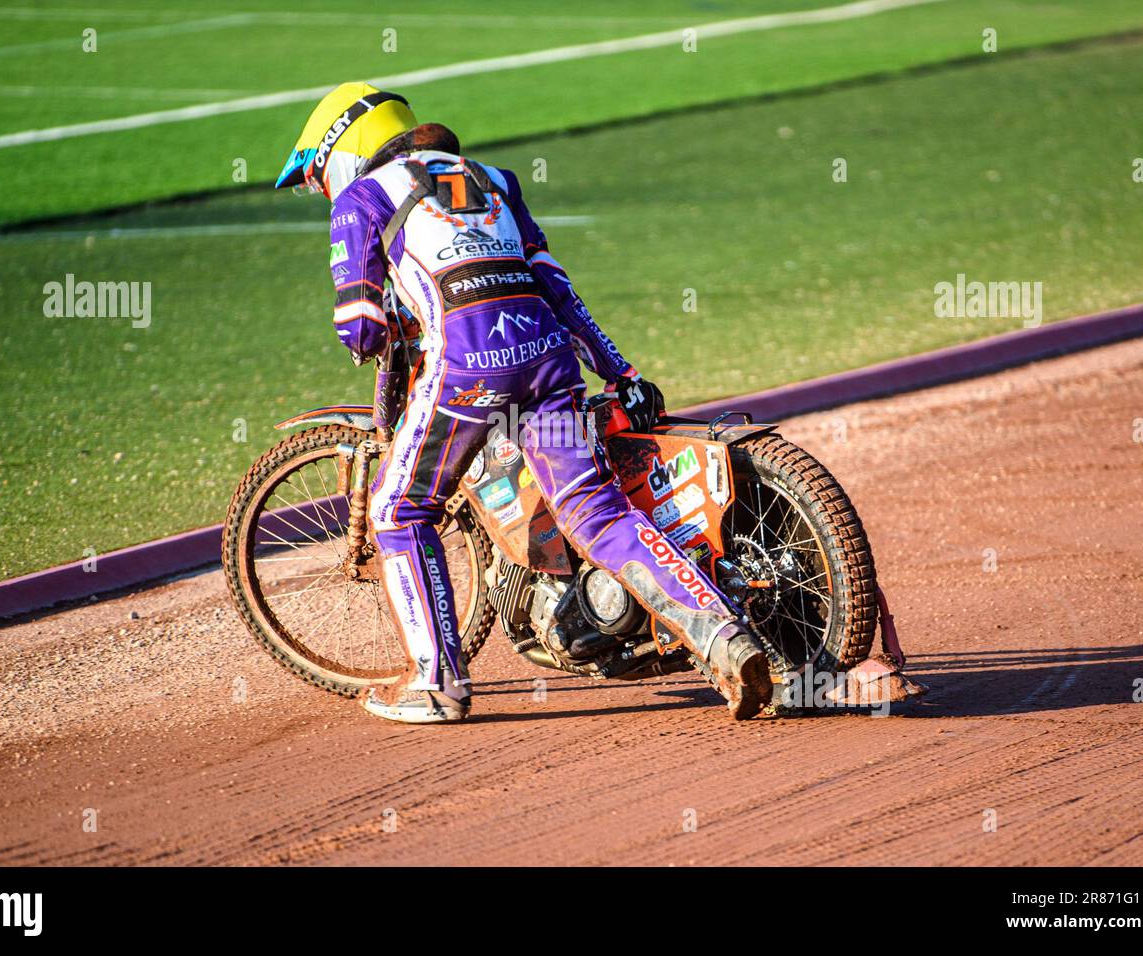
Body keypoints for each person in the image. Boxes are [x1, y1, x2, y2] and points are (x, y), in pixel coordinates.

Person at [275, 82, 771, 723]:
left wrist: (402, 315)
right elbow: (555, 285)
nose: (322, 191)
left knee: (399, 510)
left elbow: (362, 328)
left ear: (341, 150)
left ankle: (437, 685)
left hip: (467, 370)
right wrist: (620, 371)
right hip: (549, 363)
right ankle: (723, 636)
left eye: (318, 176)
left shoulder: (364, 198)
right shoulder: (494, 180)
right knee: (595, 511)